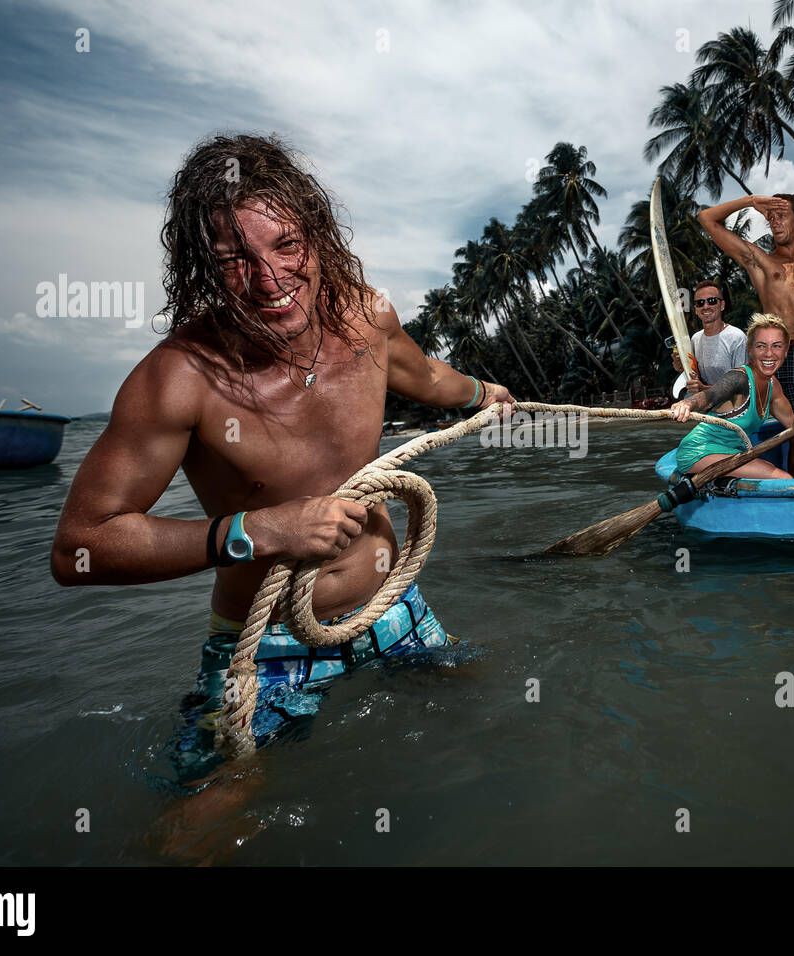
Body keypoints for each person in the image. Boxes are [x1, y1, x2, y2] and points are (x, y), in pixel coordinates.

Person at [50, 134, 514, 781]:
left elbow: (427, 376)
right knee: (206, 820)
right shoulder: (179, 379)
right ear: (202, 268)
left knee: (505, 722)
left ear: (318, 235)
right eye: (234, 259)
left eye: (286, 245)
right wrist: (262, 529)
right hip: (263, 646)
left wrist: (485, 393)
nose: (269, 280)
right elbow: (80, 546)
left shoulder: (367, 319)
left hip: (395, 607)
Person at [698, 193, 794, 477]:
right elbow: (707, 220)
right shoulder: (760, 261)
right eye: (770, 217)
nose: (774, 221)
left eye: (781, 215)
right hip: (787, 354)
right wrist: (749, 200)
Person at [668, 313, 794, 481]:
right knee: (784, 479)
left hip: (731, 452)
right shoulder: (739, 378)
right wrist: (687, 404)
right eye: (761, 346)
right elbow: (710, 395)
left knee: (772, 469)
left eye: (776, 346)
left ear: (786, 350)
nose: (769, 354)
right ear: (750, 350)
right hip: (699, 452)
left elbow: (793, 423)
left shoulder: (773, 385)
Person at [670, 278, 747, 406]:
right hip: (706, 407)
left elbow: (742, 386)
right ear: (695, 309)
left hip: (733, 408)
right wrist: (682, 367)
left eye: (711, 301)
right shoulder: (695, 339)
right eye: (700, 303)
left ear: (722, 305)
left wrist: (703, 389)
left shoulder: (737, 337)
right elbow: (695, 375)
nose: (706, 306)